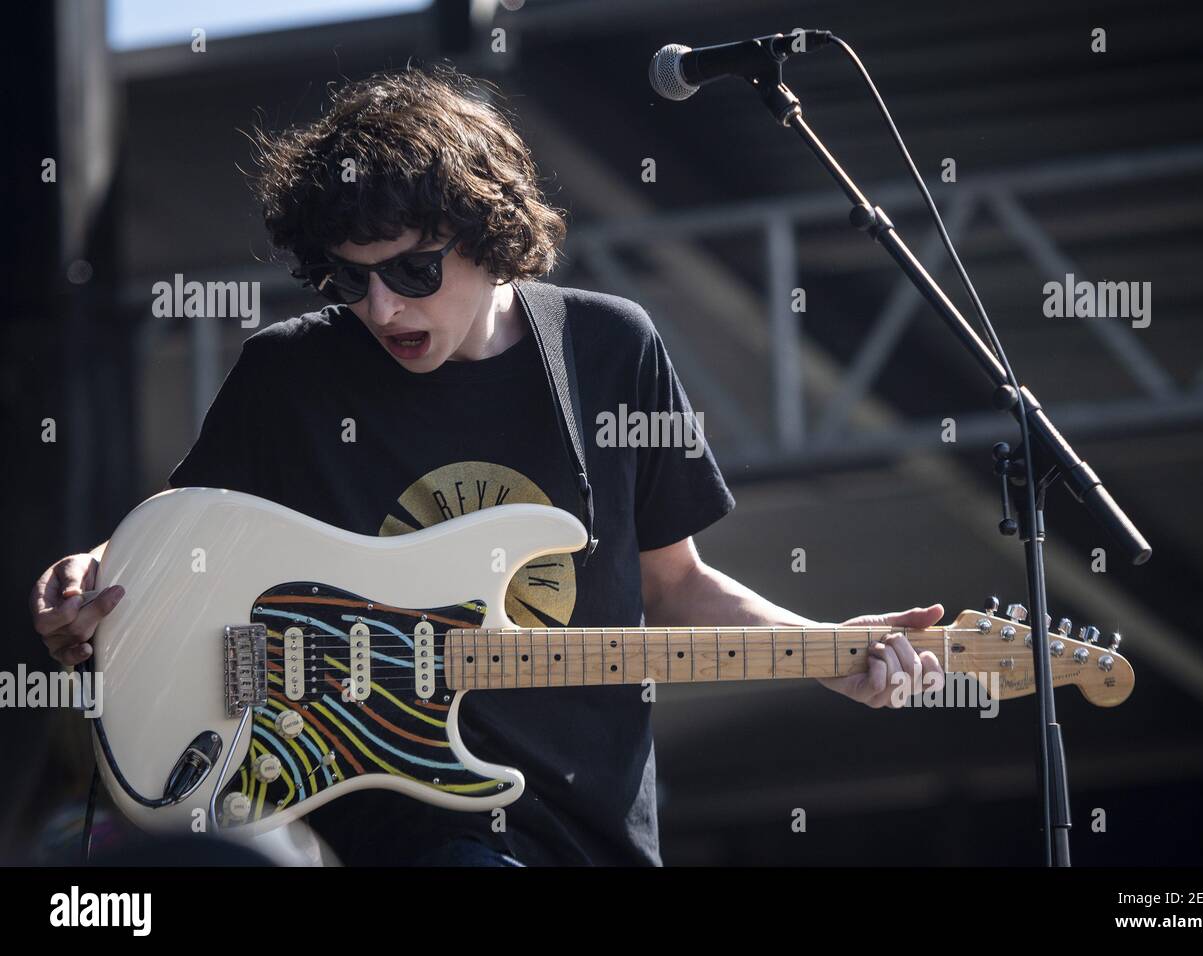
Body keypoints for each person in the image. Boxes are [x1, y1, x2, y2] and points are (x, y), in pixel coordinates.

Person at [30, 65, 943, 866]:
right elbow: (181, 535)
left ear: (490, 232)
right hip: (408, 825)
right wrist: (93, 575)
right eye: (350, 280)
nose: (383, 309)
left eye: (413, 271)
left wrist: (827, 649)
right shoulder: (293, 374)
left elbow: (672, 585)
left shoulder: (607, 349)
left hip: (595, 820)